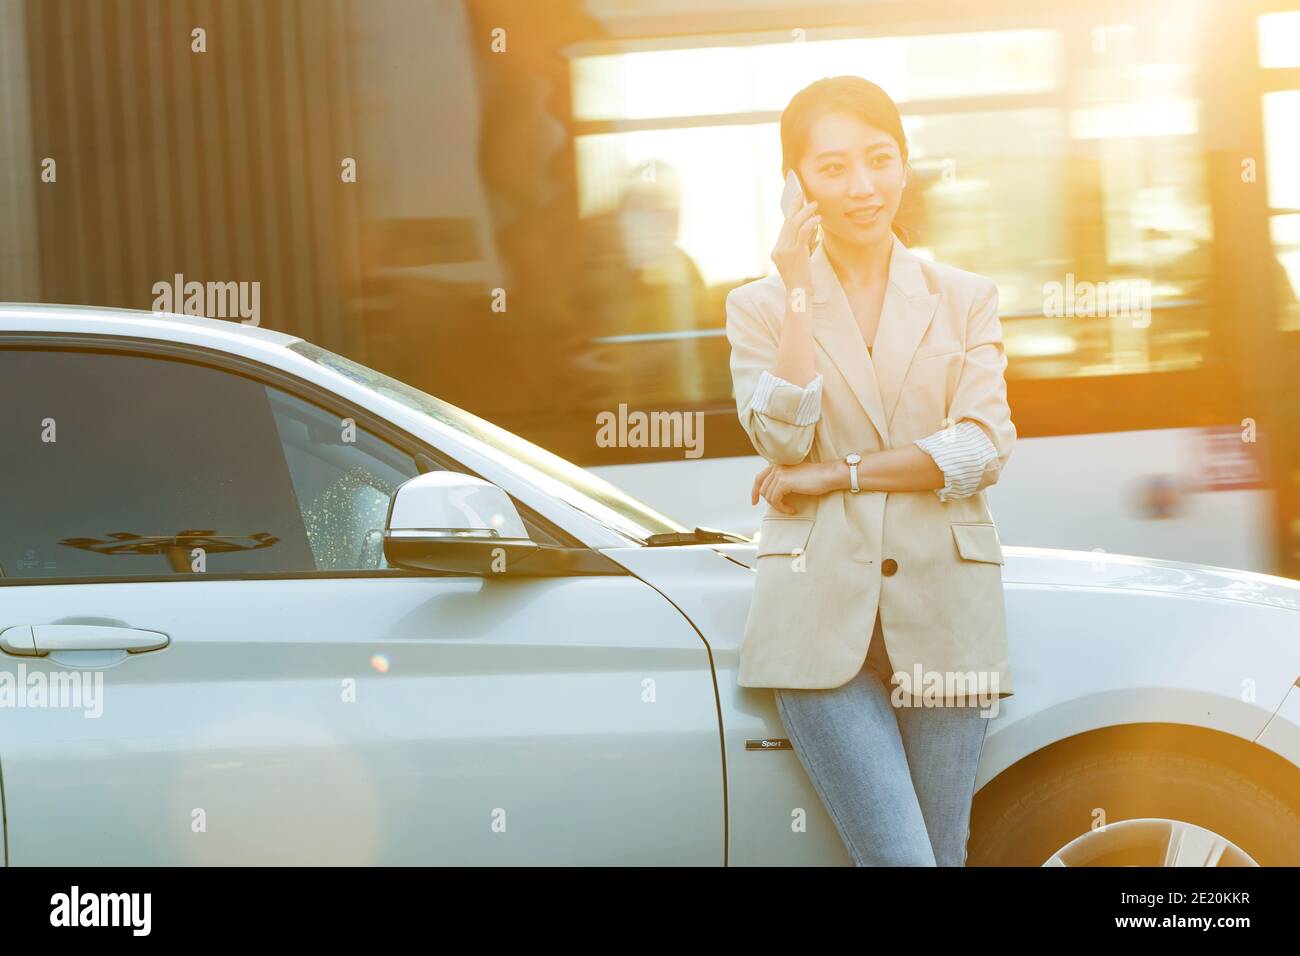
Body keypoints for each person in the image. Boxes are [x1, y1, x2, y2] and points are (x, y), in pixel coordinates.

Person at [725, 75, 1017, 866]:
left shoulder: (966, 298)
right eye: (833, 168)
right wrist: (795, 291)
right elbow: (783, 444)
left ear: (905, 161)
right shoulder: (757, 305)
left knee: (943, 856)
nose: (862, 187)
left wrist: (838, 475)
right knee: (904, 860)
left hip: (948, 618)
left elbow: (981, 448)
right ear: (797, 186)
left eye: (880, 159)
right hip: (818, 623)